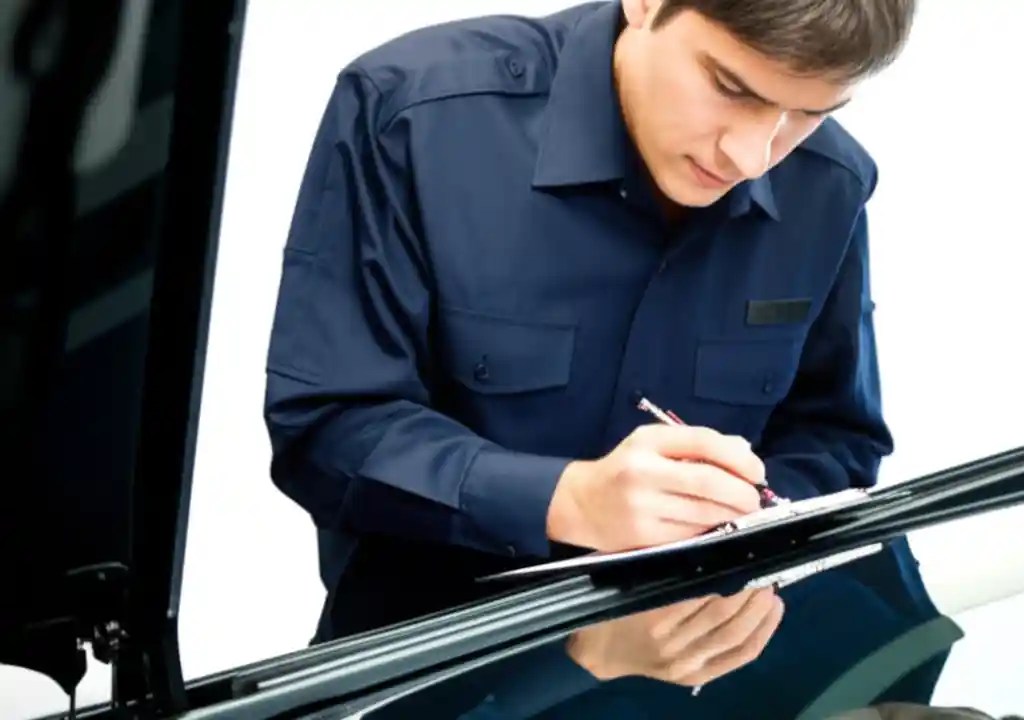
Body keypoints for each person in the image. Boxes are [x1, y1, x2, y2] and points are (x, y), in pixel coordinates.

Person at [262, 0, 914, 650]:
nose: (752, 156)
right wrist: (569, 501)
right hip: (434, 679)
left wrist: (719, 561)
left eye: (807, 114)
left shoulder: (831, 183)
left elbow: (836, 442)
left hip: (716, 676)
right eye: (730, 87)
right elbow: (327, 428)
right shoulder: (412, 112)